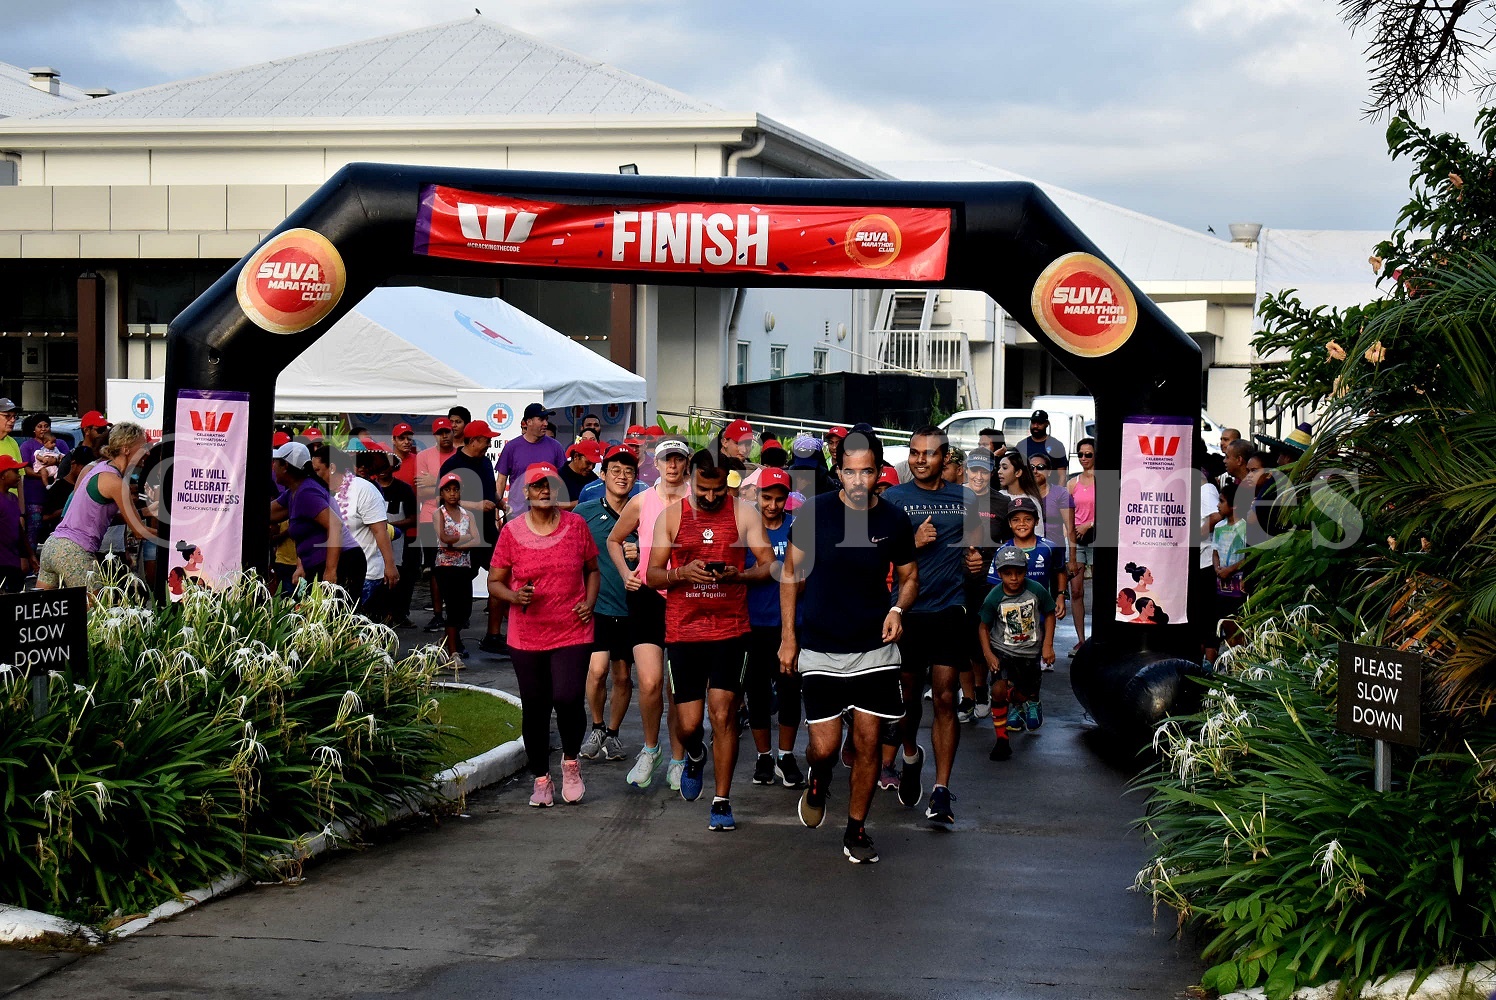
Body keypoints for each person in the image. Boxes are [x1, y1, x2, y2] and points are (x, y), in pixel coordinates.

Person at [779, 428, 917, 863]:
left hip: (874, 650)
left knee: (868, 742)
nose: (858, 481)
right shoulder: (814, 514)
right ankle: (819, 778)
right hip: (820, 646)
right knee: (823, 746)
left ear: (879, 472)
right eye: (850, 472)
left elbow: (910, 577)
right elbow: (790, 576)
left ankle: (856, 829)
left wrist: (898, 610)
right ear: (838, 472)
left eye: (867, 472)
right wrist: (788, 638)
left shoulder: (894, 520)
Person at [644, 449, 773, 831]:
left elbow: (769, 565)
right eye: (704, 488)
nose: (712, 497)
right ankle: (695, 754)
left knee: (724, 713)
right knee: (688, 726)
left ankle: (721, 800)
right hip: (683, 631)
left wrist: (740, 576)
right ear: (691, 479)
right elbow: (651, 576)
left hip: (731, 629)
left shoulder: (742, 513)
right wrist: (682, 572)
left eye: (719, 489)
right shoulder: (672, 516)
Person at [881, 424, 985, 827]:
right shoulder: (893, 499)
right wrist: (912, 542)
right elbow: (877, 555)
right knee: (906, 702)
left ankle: (941, 791)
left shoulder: (964, 499)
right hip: (906, 613)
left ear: (945, 459)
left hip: (949, 611)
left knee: (944, 698)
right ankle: (910, 756)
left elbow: (974, 556)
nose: (920, 460)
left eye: (929, 454)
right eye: (915, 452)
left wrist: (976, 565)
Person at [489, 463, 601, 808]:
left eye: (550, 485)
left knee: (567, 699)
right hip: (527, 634)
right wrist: (513, 596)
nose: (544, 491)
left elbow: (593, 570)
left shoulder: (576, 525)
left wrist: (589, 601)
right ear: (525, 492)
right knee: (535, 707)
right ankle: (541, 778)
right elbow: (495, 582)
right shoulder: (511, 531)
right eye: (537, 485)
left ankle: (570, 764)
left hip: (572, 628)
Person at [607, 437, 692, 791]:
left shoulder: (697, 502)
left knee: (677, 689)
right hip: (646, 597)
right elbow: (614, 539)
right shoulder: (642, 501)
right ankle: (650, 748)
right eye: (666, 460)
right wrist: (627, 572)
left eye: (678, 460)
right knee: (652, 682)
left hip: (685, 597)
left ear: (686, 465)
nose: (672, 466)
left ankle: (677, 758)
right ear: (655, 464)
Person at [576, 446, 641, 763]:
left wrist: (637, 553)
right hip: (598, 607)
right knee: (597, 670)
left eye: (629, 471)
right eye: (615, 470)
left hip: (631, 608)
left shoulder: (644, 513)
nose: (622, 476)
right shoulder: (584, 512)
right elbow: (569, 555)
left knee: (623, 677)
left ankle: (613, 734)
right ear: (602, 475)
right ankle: (597, 726)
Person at [743, 467, 806, 789]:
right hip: (752, 625)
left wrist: (776, 572)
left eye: (779, 499)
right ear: (756, 495)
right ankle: (763, 756)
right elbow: (736, 575)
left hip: (790, 627)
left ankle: (785, 755)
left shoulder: (798, 529)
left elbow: (806, 577)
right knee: (756, 694)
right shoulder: (745, 529)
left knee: (790, 692)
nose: (772, 505)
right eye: (767, 497)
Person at [36, 422, 155, 591]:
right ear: (126, 448)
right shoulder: (117, 483)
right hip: (74, 552)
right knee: (96, 613)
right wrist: (174, 538)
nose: (148, 452)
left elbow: (100, 517)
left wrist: (142, 512)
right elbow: (139, 532)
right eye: (143, 447)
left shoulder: (98, 468)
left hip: (53, 546)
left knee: (42, 613)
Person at [985, 495, 1065, 742]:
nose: (1022, 523)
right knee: (1007, 670)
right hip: (1008, 626)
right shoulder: (1002, 551)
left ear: (1036, 521)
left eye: (1027, 519)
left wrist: (1060, 596)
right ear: (1009, 523)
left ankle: (1032, 701)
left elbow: (1059, 571)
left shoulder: (1049, 547)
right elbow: (993, 590)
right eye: (1016, 519)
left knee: (1031, 668)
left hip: (1038, 621)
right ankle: (1015, 710)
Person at [979, 546, 1056, 762]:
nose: (1014, 578)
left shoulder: (1036, 590)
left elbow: (1050, 613)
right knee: (997, 690)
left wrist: (1048, 645)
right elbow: (983, 626)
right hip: (1002, 651)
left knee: (1022, 694)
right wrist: (988, 654)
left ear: (1026, 571)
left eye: (1019, 572)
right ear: (1000, 573)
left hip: (1029, 654)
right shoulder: (995, 596)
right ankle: (1002, 740)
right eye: (1007, 573)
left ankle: (1025, 701)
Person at [312, 444, 398, 617]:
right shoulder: (321, 493)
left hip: (367, 572)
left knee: (357, 628)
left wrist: (390, 565)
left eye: (318, 469)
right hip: (335, 571)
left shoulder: (363, 489)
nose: (315, 474)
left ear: (332, 468)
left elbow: (380, 530)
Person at [441, 420, 503, 653]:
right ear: (474, 440)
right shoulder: (453, 465)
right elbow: (442, 499)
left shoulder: (486, 462)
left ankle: (494, 636)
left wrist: (499, 501)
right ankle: (452, 644)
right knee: (459, 591)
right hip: (462, 537)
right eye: (486, 439)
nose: (489, 443)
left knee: (501, 577)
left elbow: (490, 489)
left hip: (488, 531)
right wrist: (476, 505)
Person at [268, 440, 362, 593]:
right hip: (319, 564)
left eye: (275, 462)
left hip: (343, 562)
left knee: (334, 616)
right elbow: (268, 513)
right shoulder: (294, 491)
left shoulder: (306, 492)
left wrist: (331, 571)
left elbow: (335, 526)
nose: (273, 467)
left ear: (285, 466)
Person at [957, 448, 1001, 724]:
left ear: (992, 472)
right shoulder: (952, 497)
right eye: (974, 470)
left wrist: (987, 564)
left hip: (988, 583)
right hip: (956, 580)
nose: (978, 476)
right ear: (966, 470)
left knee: (981, 641)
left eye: (984, 471)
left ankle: (982, 691)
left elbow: (1014, 546)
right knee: (960, 642)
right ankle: (968, 696)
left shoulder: (1002, 503)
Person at [1028, 451, 1075, 669]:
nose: (1035, 471)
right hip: (1031, 552)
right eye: (1032, 467)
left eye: (1040, 467)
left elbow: (1071, 528)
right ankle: (1031, 648)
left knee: (1051, 603)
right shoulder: (1025, 493)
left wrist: (1072, 559)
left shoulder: (1061, 494)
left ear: (1048, 471)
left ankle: (1046, 651)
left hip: (1055, 553)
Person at [417, 416, 460, 632]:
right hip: (429, 518)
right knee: (435, 568)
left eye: (448, 431)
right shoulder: (424, 456)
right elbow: (421, 491)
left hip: (457, 518)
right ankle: (437, 614)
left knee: (458, 566)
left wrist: (434, 482)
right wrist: (447, 488)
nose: (445, 436)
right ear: (434, 435)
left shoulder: (459, 455)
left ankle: (456, 613)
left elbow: (463, 490)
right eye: (440, 432)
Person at [431, 473, 478, 661]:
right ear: (442, 493)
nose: (452, 493)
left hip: (464, 566)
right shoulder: (438, 514)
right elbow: (444, 540)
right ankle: (453, 652)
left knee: (465, 608)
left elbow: (477, 540)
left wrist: (457, 543)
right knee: (452, 607)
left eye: (456, 489)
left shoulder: (468, 514)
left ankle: (445, 641)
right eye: (448, 490)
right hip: (445, 566)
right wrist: (466, 538)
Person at [371, 451, 419, 628]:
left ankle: (399, 614)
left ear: (393, 467)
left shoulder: (404, 489)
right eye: (377, 468)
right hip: (374, 543)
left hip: (399, 542)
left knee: (402, 580)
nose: (381, 471)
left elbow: (414, 518)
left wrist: (389, 526)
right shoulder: (371, 487)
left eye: (384, 467)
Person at [495, 403, 568, 518]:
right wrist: (496, 513)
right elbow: (501, 481)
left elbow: (563, 481)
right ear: (528, 422)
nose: (545, 423)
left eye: (546, 419)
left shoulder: (556, 447)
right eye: (541, 419)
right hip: (517, 515)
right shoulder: (512, 447)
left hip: (547, 515)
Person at [20, 415, 69, 552]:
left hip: (58, 496)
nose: (43, 429)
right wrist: (43, 474)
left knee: (59, 530)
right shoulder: (28, 446)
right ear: (33, 429)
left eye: (46, 426)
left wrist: (55, 463)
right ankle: (32, 565)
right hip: (35, 496)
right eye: (39, 426)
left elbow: (68, 463)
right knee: (33, 529)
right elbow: (25, 468)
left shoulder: (60, 444)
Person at [1210, 483, 1249, 655]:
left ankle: (1242, 659)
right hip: (1222, 582)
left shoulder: (1245, 526)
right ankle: (1233, 659)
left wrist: (1231, 569)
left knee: (1238, 622)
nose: (1218, 505)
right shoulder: (1219, 527)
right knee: (1225, 622)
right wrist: (1217, 568)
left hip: (1238, 582)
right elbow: (1215, 551)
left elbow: (1249, 556)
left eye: (1221, 501)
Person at [1066, 437, 1097, 654]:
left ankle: (1098, 638)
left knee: (1099, 592)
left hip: (1098, 540)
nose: (1084, 458)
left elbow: (1111, 512)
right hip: (1077, 542)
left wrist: (1090, 524)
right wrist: (1072, 553)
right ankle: (1081, 639)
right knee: (1075, 591)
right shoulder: (1072, 483)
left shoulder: (1103, 481)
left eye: (1089, 454)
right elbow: (1068, 520)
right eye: (1081, 454)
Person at [993, 448, 1045, 542]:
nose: (999, 471)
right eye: (999, 467)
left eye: (1004, 468)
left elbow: (1038, 534)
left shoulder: (1031, 501)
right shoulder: (998, 496)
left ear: (1018, 472)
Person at [0, 455, 34, 592]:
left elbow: (18, 529)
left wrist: (29, 554)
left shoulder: (13, 499)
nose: (19, 475)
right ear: (3, 475)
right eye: (15, 471)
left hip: (13, 561)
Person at [557, 440, 601, 508]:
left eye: (594, 464)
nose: (591, 467)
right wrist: (582, 502)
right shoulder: (557, 476)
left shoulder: (594, 479)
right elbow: (551, 506)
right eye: (588, 463)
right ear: (576, 457)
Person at [0, 399, 20, 497]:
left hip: (12, 504)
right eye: (7, 416)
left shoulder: (13, 443)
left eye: (14, 416)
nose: (12, 420)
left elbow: (21, 478)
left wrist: (22, 510)